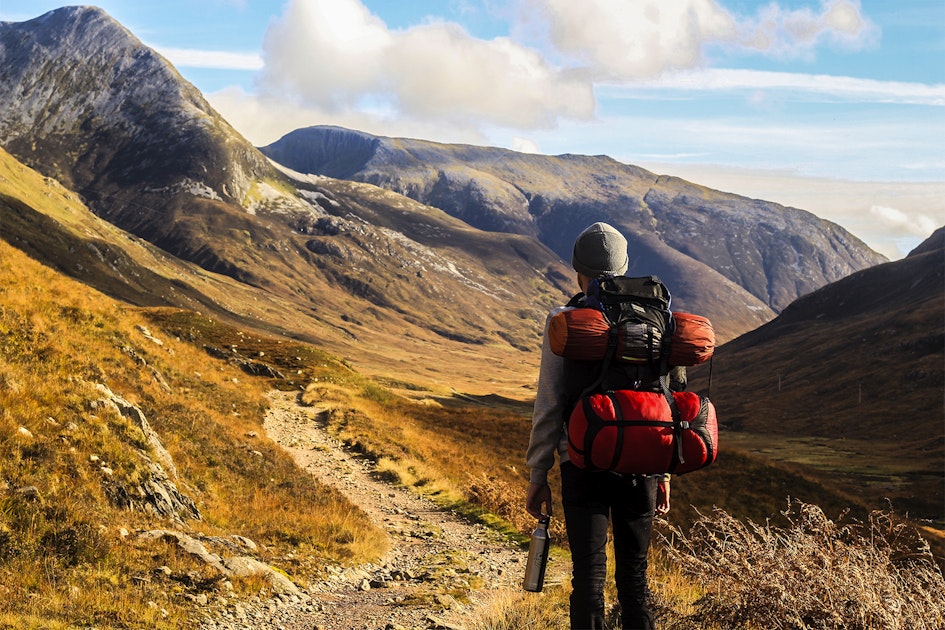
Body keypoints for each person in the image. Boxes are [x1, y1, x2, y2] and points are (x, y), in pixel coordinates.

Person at [525, 222, 673, 630]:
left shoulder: (566, 320)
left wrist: (539, 473)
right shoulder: (657, 318)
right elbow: (665, 399)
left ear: (577, 269)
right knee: (635, 580)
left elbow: (550, 404)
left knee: (588, 579)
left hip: (581, 463)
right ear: (624, 267)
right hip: (641, 463)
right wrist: (662, 472)